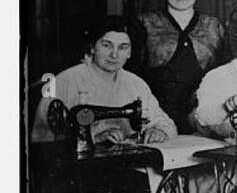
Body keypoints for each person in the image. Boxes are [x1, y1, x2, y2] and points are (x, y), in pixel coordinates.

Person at [33, 16, 176, 144]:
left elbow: (165, 122)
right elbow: (40, 138)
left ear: (130, 53)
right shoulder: (65, 81)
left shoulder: (136, 84)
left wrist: (159, 131)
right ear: (93, 47)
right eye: (106, 45)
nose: (114, 54)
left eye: (123, 47)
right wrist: (93, 139)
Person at [137, 0, 226, 133]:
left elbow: (226, 75)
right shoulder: (145, 24)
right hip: (155, 121)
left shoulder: (214, 26)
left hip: (203, 120)